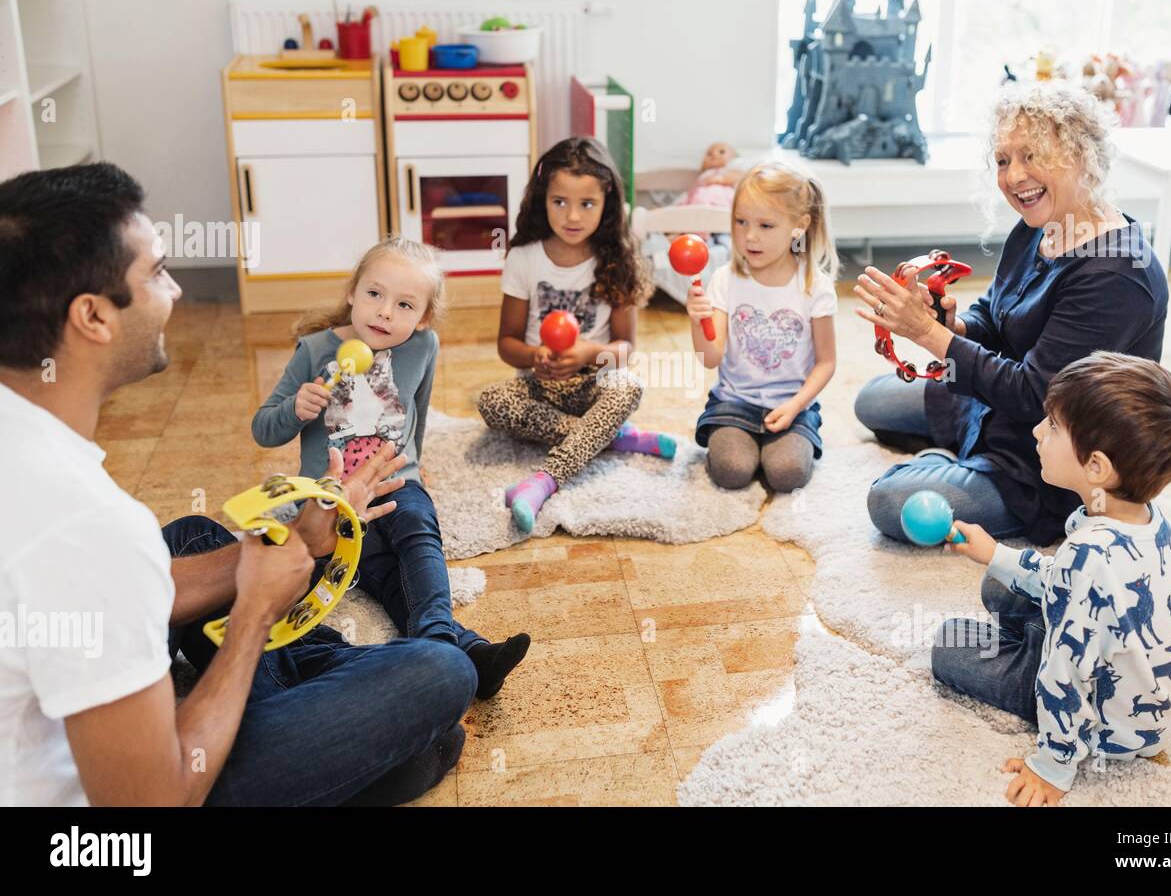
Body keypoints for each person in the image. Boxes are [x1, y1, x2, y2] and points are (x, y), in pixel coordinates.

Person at [0, 163, 474, 805]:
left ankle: (312, 702)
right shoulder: (85, 528)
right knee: (440, 673)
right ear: (92, 317)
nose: (177, 292)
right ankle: (333, 723)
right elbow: (148, 809)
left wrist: (299, 550)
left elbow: (113, 590)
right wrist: (252, 616)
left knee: (195, 537)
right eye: (157, 273)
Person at [854, 82, 1167, 545]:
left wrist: (926, 334)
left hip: (1050, 459)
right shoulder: (1040, 227)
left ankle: (957, 466)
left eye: (1032, 156)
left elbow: (1034, 395)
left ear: (1083, 156)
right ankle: (956, 457)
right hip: (995, 410)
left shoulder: (1117, 275)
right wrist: (950, 324)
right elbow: (997, 319)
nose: (1015, 176)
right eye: (1003, 160)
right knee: (871, 401)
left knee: (888, 502)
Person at [253, 236, 529, 698]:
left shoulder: (423, 346)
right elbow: (264, 430)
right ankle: (468, 653)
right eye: (375, 294)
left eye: (404, 305)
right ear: (352, 293)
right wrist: (295, 411)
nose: (384, 312)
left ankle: (440, 642)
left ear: (422, 317)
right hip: (332, 501)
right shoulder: (315, 350)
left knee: (419, 537)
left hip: (396, 480)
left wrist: (416, 471)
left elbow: (415, 414)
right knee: (380, 573)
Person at [932, 352, 1171, 806]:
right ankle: (1030, 626)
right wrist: (994, 554)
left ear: (1095, 467)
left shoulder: (1087, 554)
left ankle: (1037, 668)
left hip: (1110, 722)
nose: (1038, 432)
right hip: (1146, 689)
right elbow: (1072, 582)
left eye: (1053, 426)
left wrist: (1053, 766)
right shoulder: (1150, 521)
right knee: (1000, 581)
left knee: (948, 643)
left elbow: (1067, 671)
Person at [476, 137, 675, 533]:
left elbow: (625, 349)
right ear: (542, 199)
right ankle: (614, 438)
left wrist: (588, 353)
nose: (572, 216)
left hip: (593, 385)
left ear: (607, 204)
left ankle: (543, 481)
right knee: (491, 403)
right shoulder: (524, 258)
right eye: (559, 201)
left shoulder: (618, 260)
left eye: (587, 204)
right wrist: (535, 358)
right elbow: (507, 343)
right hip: (540, 385)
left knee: (628, 387)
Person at [686, 163, 838, 491]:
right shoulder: (725, 280)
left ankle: (776, 446)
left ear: (799, 227)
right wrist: (697, 320)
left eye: (766, 225)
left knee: (787, 475)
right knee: (732, 472)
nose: (750, 236)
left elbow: (827, 362)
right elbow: (711, 357)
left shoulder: (816, 286)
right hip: (734, 402)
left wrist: (796, 405)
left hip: (793, 405)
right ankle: (742, 447)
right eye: (741, 222)